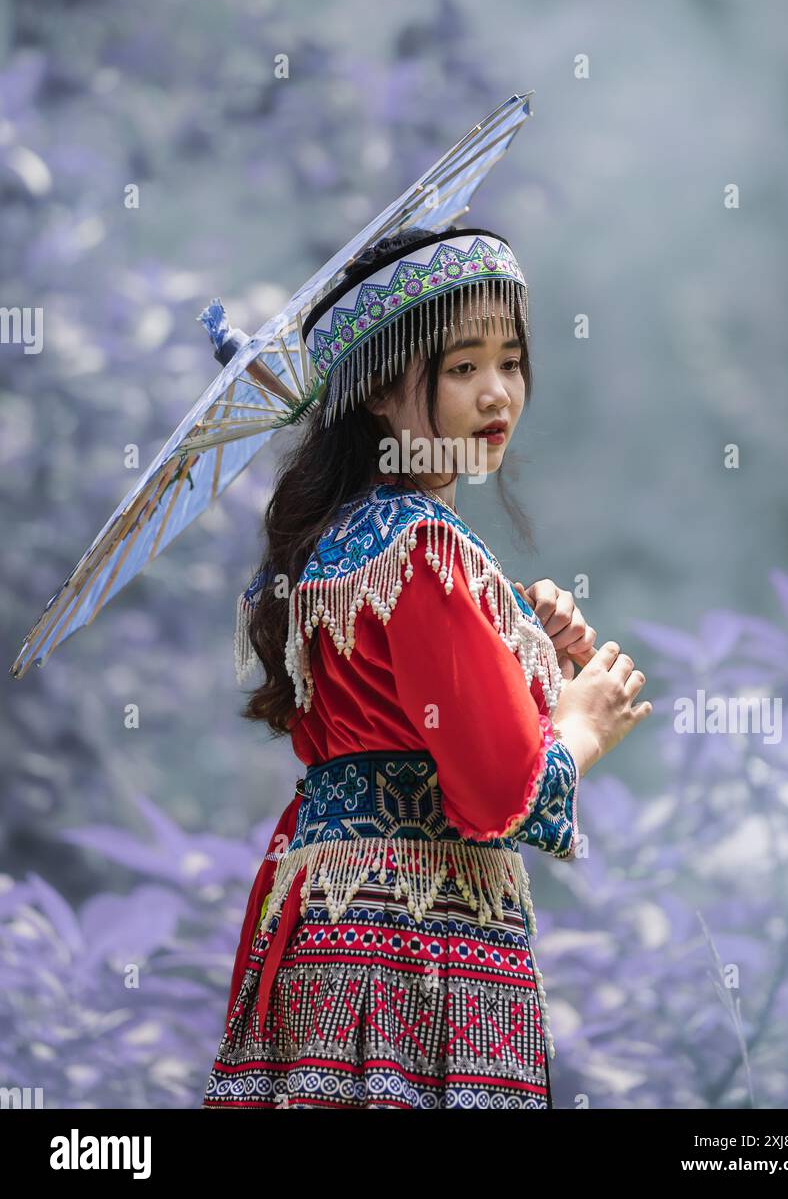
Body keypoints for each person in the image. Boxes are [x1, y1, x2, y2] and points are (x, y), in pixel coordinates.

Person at [202, 224, 651, 1109]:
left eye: (511, 361)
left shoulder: (333, 545)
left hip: (324, 929)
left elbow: (392, 720)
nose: (498, 393)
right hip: (420, 952)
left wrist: (519, 639)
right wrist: (579, 726)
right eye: (460, 368)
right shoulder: (426, 549)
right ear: (376, 389)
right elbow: (493, 794)